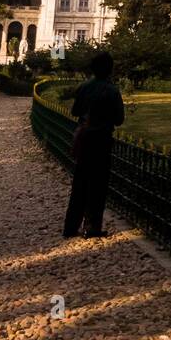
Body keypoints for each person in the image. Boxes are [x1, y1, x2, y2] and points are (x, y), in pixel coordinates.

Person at [63, 51, 124, 239]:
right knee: (98, 185)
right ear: (110, 69)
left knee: (80, 183)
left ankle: (71, 227)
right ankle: (92, 226)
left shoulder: (84, 87)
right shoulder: (112, 90)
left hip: (84, 138)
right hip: (102, 140)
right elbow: (119, 119)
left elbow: (75, 110)